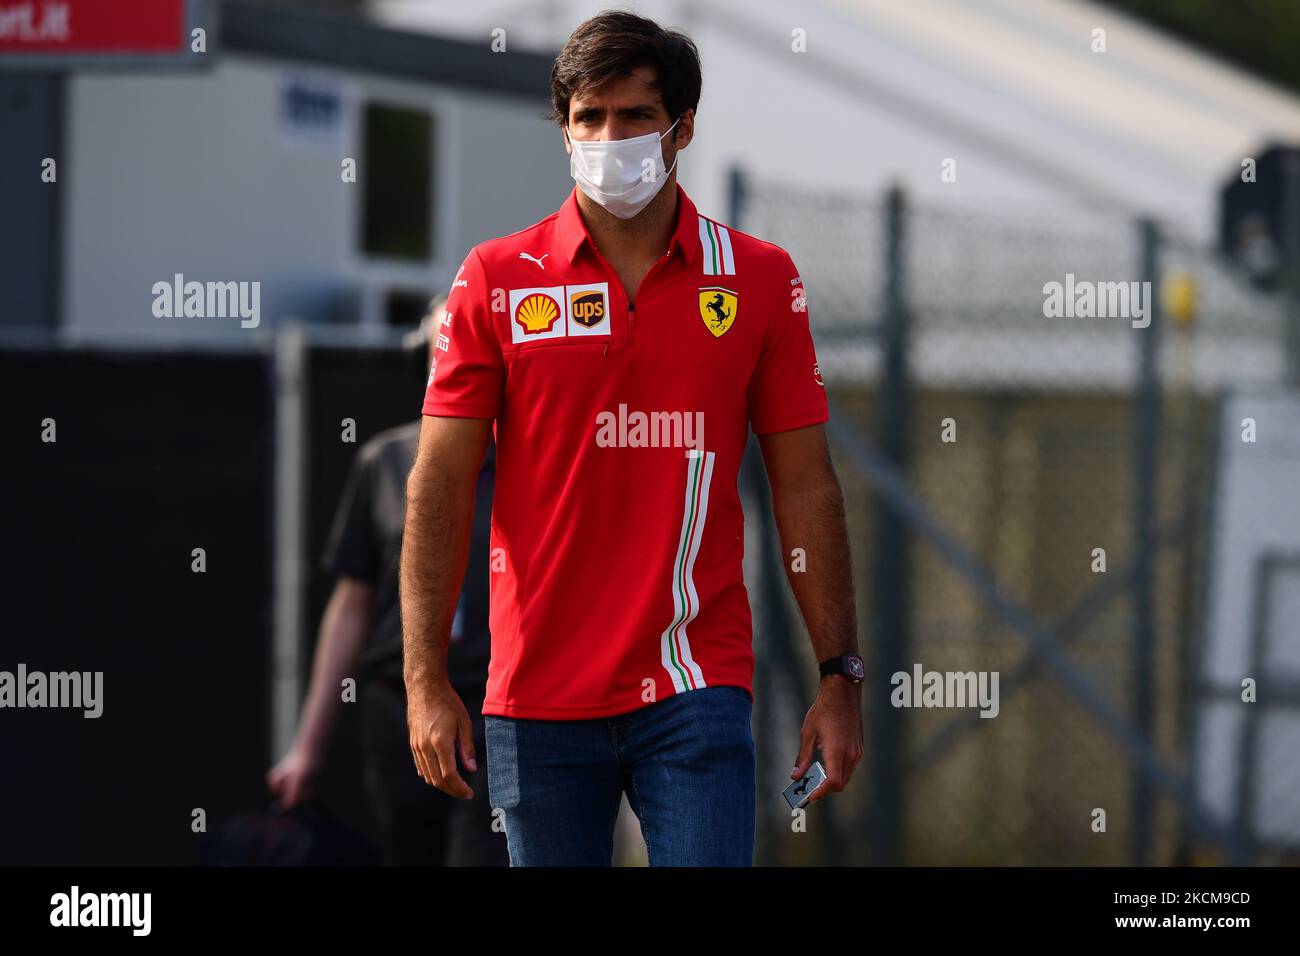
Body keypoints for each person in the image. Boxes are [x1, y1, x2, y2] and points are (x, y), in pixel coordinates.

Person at [401, 10, 862, 867]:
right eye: (589, 117)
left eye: (636, 117)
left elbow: (807, 485)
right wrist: (424, 680)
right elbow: (438, 483)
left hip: (697, 686)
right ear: (564, 129)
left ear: (682, 130)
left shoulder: (758, 279)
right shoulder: (496, 279)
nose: (610, 137)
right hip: (536, 694)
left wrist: (841, 676)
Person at [267, 298, 506, 867]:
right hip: (400, 702)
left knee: (483, 852)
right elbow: (351, 605)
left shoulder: (528, 462)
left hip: (498, 703)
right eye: (443, 347)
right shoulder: (385, 461)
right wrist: (307, 747)